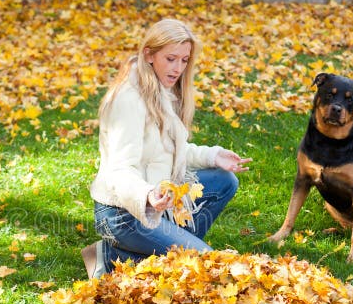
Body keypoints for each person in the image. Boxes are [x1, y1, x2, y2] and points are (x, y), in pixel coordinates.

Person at [82, 18, 251, 279]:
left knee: (224, 180)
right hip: (124, 214)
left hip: (157, 205)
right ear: (149, 54)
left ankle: (167, 251)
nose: (178, 68)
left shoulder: (161, 90)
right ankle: (110, 256)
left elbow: (168, 150)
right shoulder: (130, 99)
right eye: (171, 59)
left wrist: (213, 156)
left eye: (184, 60)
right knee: (205, 264)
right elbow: (119, 170)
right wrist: (147, 193)